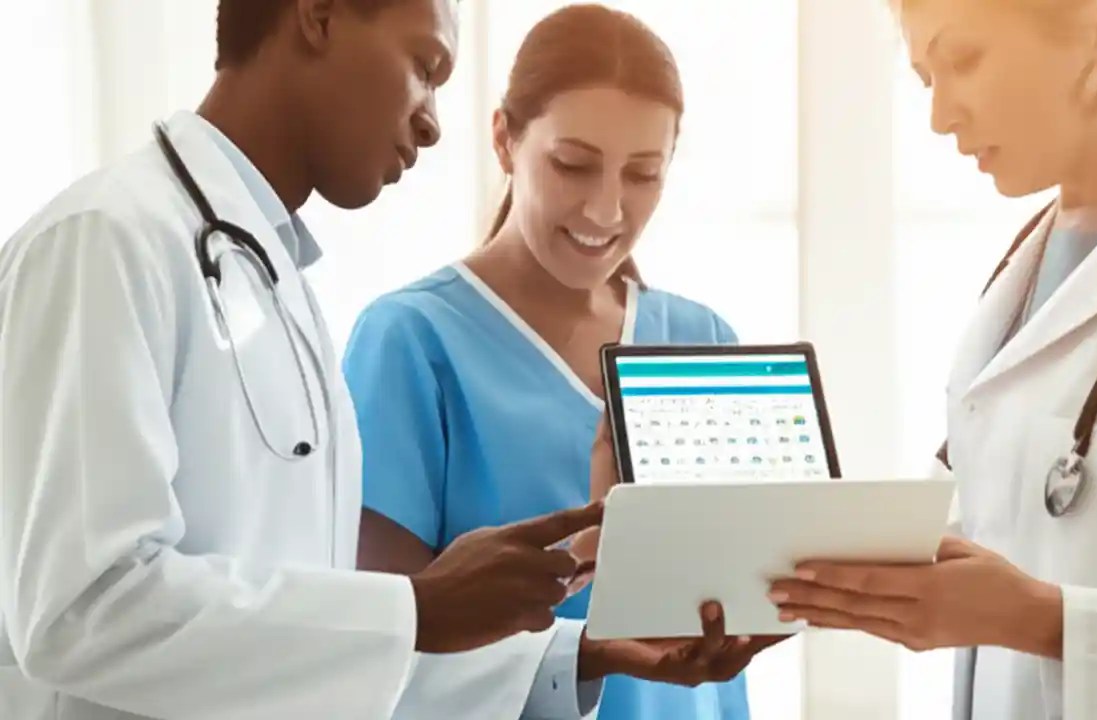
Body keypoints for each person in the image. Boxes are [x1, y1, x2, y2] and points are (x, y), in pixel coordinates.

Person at [0, 2, 747, 718]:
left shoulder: (272, 285)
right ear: (319, 14)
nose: (429, 121)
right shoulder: (105, 240)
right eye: (425, 65)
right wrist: (417, 607)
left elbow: (326, 651)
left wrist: (585, 653)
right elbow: (79, 610)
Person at [767, 0, 1097, 717]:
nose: (941, 117)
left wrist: (1038, 620)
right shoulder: (1030, 263)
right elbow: (992, 525)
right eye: (925, 81)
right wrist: (737, 563)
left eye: (965, 61)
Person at [343, 5, 773, 720]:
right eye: (573, 165)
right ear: (505, 140)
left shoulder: (705, 339)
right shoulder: (411, 343)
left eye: (643, 174)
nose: (607, 210)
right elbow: (382, 647)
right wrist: (588, 554)